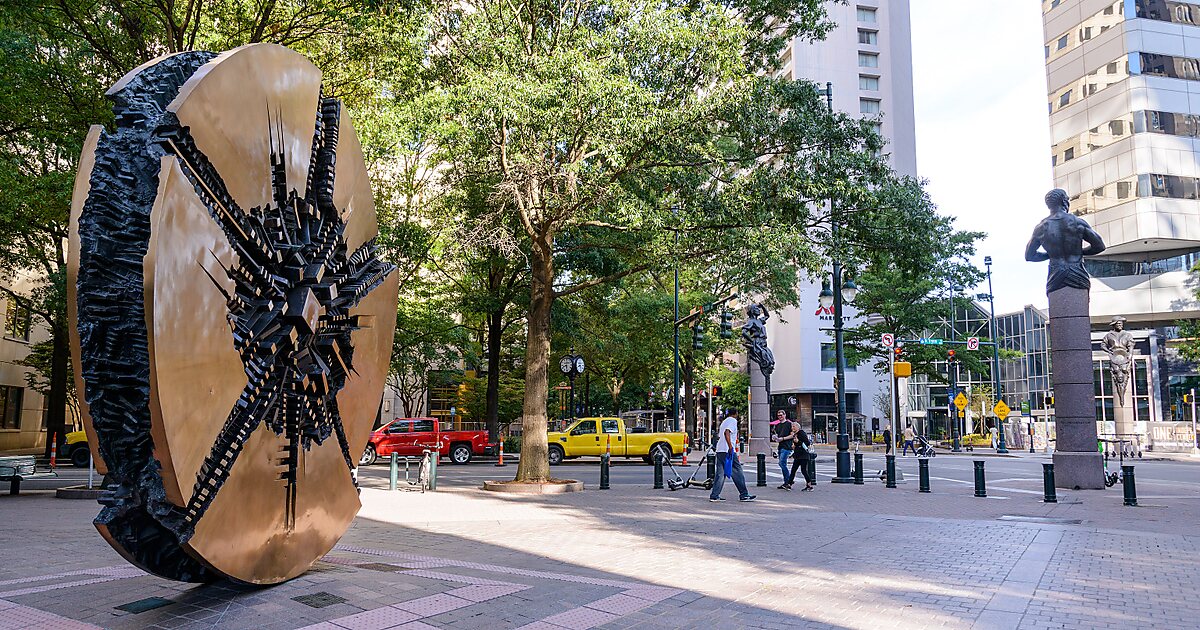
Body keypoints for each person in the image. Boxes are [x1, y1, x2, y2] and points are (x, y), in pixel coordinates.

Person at [710, 409, 755, 502]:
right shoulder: (732, 421)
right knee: (738, 472)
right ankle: (744, 494)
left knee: (720, 474)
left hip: (720, 450)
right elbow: (727, 432)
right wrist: (730, 447)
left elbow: (721, 434)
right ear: (736, 414)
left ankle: (714, 495)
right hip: (728, 450)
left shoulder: (724, 422)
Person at [785, 425, 815, 491]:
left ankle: (809, 485)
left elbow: (807, 443)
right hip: (798, 455)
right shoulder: (795, 434)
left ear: (798, 427)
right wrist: (794, 445)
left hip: (803, 455)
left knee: (803, 470)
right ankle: (789, 484)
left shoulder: (801, 433)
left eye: (794, 426)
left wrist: (798, 442)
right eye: (792, 426)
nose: (792, 428)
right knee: (793, 470)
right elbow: (797, 444)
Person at [773, 410, 793, 489]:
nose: (780, 417)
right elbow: (778, 434)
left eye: (781, 415)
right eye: (778, 416)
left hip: (787, 446)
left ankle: (788, 481)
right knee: (782, 463)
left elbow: (792, 435)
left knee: (782, 463)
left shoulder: (789, 424)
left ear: (785, 415)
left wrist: (783, 439)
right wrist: (775, 438)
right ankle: (787, 481)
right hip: (780, 446)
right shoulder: (777, 425)